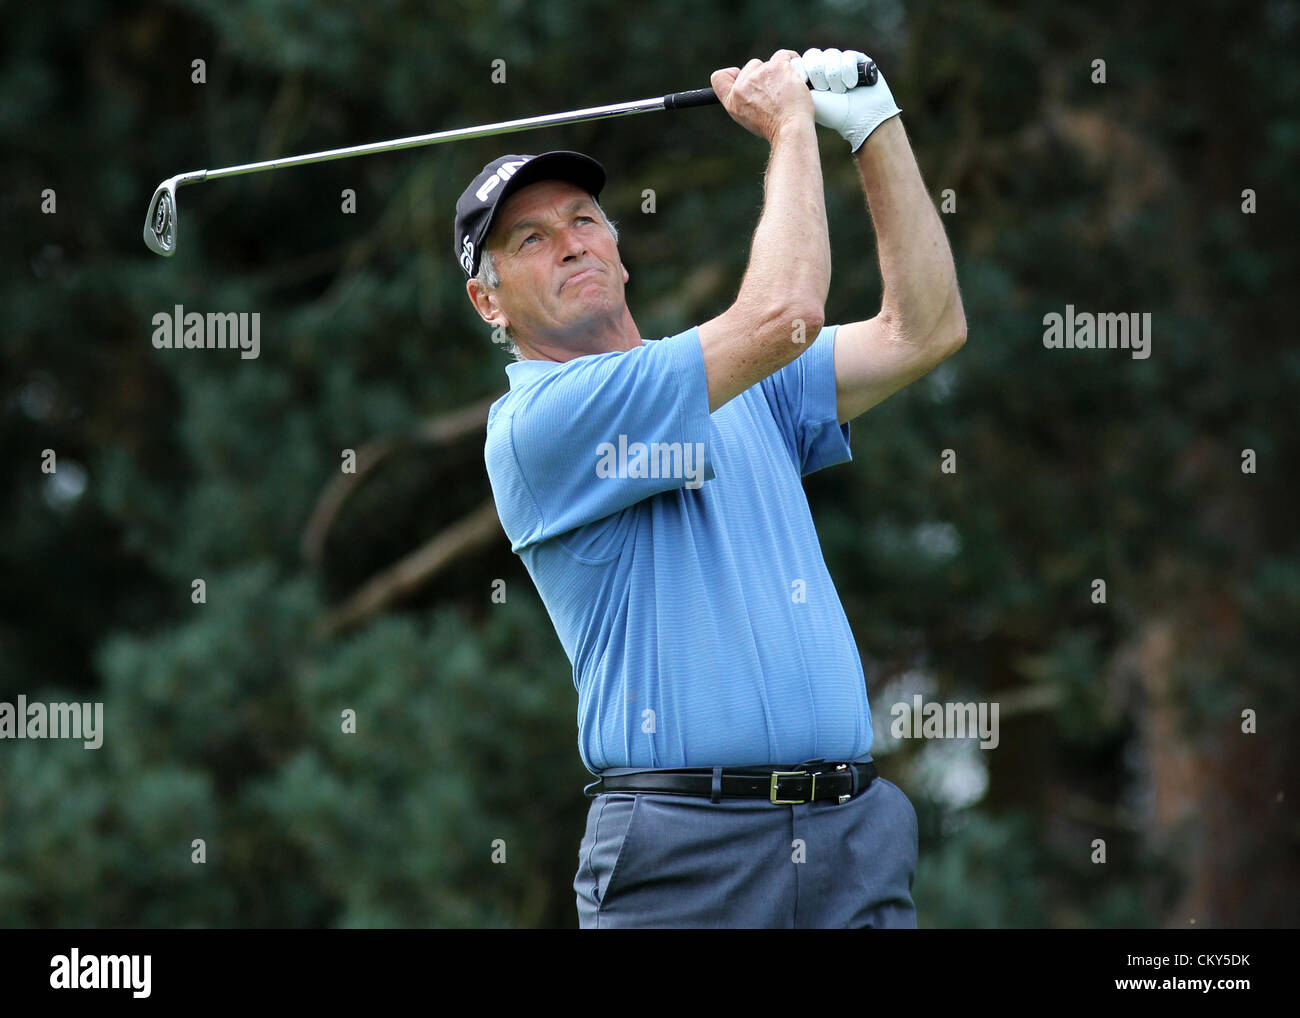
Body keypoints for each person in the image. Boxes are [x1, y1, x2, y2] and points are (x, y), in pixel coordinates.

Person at [455, 46, 965, 928]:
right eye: (529, 240)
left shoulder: (735, 382)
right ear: (487, 301)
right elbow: (785, 315)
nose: (570, 241)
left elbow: (925, 329)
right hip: (686, 850)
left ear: (618, 248)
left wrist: (876, 126)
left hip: (851, 834)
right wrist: (791, 124)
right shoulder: (541, 427)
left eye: (584, 219)